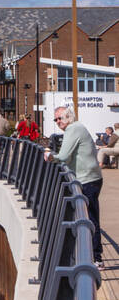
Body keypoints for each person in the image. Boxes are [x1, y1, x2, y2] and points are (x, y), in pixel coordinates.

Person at [47, 105, 104, 260]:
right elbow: (70, 156)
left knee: (90, 218)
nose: (58, 121)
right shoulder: (76, 128)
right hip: (91, 178)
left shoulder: (73, 129)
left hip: (87, 180)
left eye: (60, 118)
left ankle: (96, 257)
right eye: (56, 119)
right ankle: (90, 254)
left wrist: (51, 157)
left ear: (69, 117)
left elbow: (64, 156)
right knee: (88, 217)